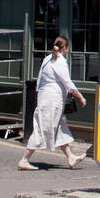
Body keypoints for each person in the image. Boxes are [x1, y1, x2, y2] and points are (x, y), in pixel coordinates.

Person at [19, 36, 87, 170]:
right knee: (42, 128)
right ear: (65, 48)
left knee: (58, 127)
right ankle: (24, 160)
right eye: (68, 48)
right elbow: (67, 82)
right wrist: (80, 97)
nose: (68, 51)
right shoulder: (60, 61)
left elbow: (40, 80)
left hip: (46, 97)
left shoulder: (47, 59)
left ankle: (70, 157)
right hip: (52, 99)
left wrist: (40, 94)